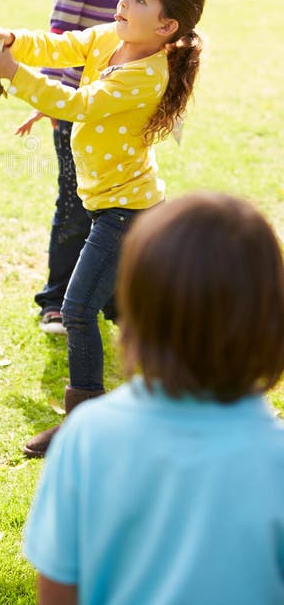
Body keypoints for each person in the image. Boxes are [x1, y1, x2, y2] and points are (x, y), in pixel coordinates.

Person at [0, 0, 205, 456]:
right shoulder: (112, 38)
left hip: (127, 212)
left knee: (78, 310)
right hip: (110, 205)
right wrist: (13, 38)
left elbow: (78, 104)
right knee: (122, 309)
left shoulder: (146, 75)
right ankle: (191, 376)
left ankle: (82, 421)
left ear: (167, 28)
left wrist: (12, 73)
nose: (124, 2)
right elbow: (64, 45)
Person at [23, 191, 284, 604]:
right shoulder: (276, 458)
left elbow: (58, 591)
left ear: (137, 311)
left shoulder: (89, 435)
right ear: (270, 318)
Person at [16, 0, 176, 335]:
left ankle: (109, 300)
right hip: (75, 106)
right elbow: (63, 37)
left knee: (118, 212)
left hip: (124, 108)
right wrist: (51, 98)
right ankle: (56, 299)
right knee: (75, 204)